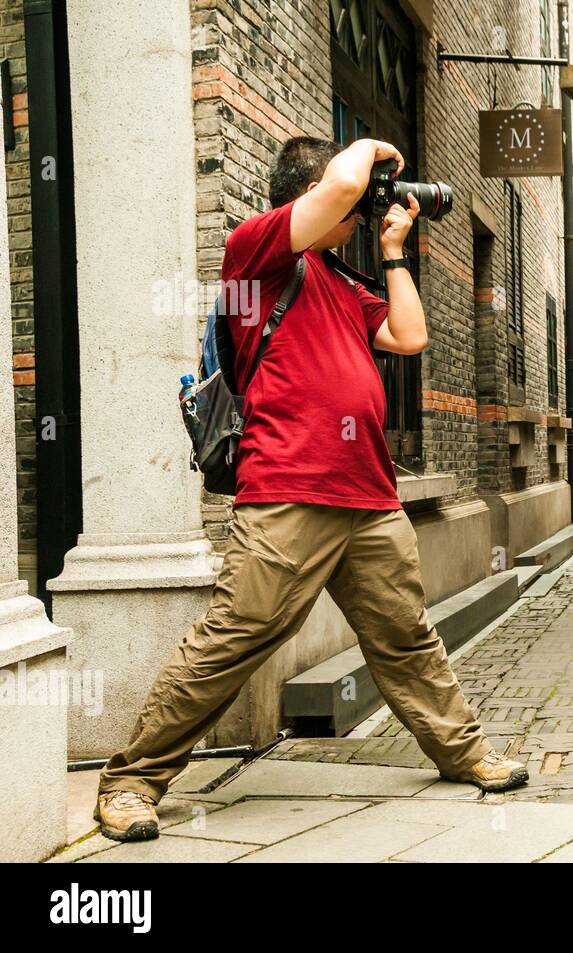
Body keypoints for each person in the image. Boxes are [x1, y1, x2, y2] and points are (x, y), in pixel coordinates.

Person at [93, 136, 528, 843]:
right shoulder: (256, 256)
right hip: (286, 491)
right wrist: (363, 152)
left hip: (370, 497)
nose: (359, 215)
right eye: (354, 203)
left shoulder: (344, 281)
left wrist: (393, 250)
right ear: (318, 192)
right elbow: (331, 194)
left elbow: (409, 335)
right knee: (234, 637)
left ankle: (464, 751)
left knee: (406, 637)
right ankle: (131, 781)